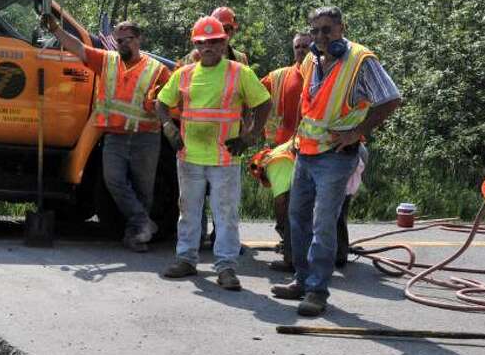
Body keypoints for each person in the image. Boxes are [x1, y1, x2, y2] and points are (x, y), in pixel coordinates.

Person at [271, 6, 401, 316]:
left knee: (323, 224)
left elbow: (391, 98)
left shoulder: (360, 60)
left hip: (336, 156)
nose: (320, 37)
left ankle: (317, 291)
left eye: (326, 30)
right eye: (315, 31)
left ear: (342, 28)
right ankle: (301, 280)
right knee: (297, 218)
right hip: (306, 152)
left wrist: (358, 132)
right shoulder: (312, 59)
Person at [156, 16, 270, 290]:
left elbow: (264, 102)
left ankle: (226, 267)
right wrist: (168, 127)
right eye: (203, 42)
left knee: (225, 214)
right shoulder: (184, 74)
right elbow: (161, 102)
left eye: (215, 41)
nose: (208, 47)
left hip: (224, 158)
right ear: (195, 44)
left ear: (225, 42)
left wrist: (250, 135)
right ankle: (186, 259)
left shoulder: (239, 72)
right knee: (188, 211)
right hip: (189, 157)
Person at [45, 15, 171, 251]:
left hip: (146, 137)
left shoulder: (158, 70)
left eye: (128, 39)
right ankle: (143, 222)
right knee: (114, 181)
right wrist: (56, 30)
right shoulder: (107, 61)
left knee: (144, 189)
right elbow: (79, 48)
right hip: (114, 137)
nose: (123, 44)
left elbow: (171, 100)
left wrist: (159, 104)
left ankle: (136, 236)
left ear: (139, 39)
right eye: (119, 40)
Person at [252, 31, 310, 272]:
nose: (302, 50)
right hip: (281, 154)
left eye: (307, 46)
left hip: (315, 150)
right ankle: (290, 253)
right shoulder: (278, 77)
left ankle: (334, 253)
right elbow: (250, 96)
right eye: (298, 46)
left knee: (321, 206)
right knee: (283, 202)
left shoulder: (326, 75)